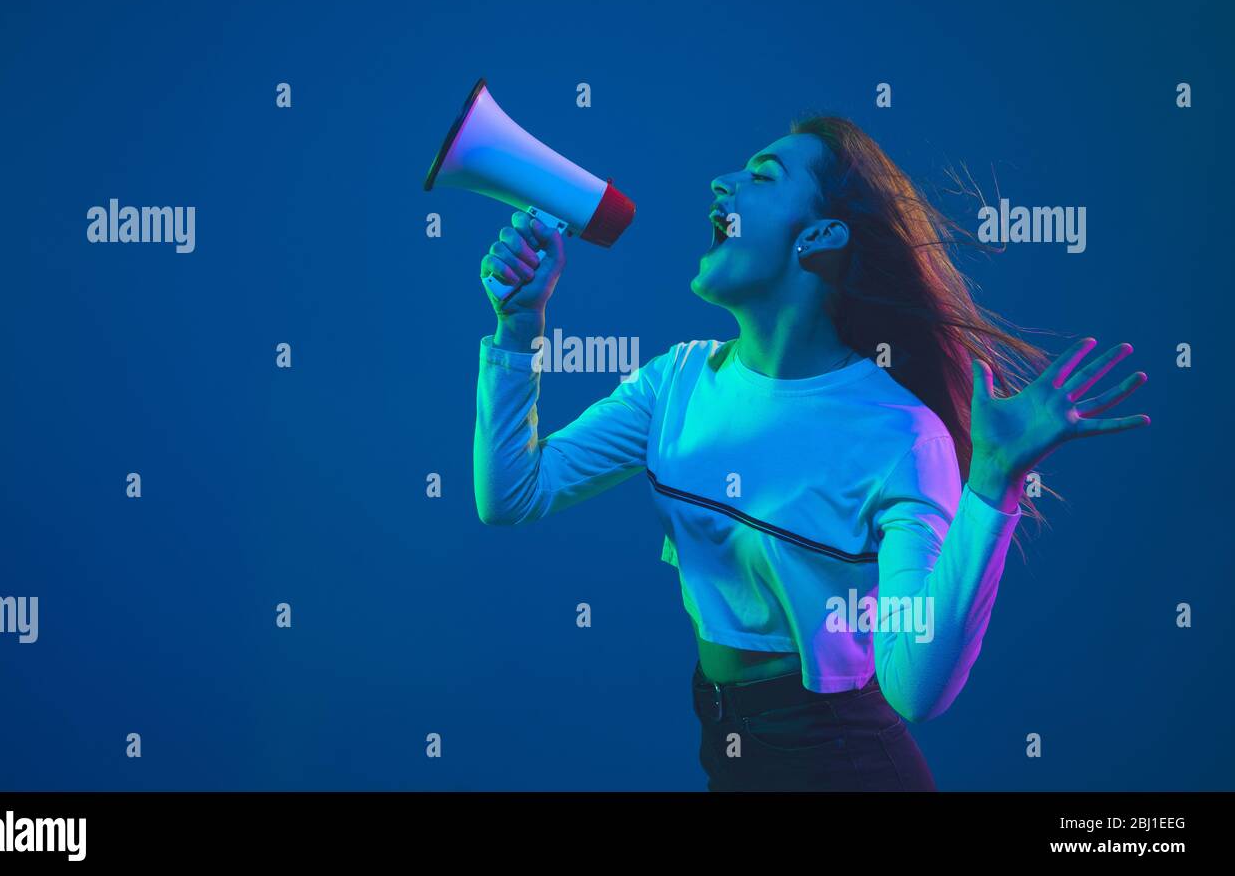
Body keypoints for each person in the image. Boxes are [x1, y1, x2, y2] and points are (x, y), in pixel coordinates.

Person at [472, 116, 1150, 791]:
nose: (722, 181)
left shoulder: (901, 437)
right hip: (728, 743)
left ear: (820, 236)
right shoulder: (672, 384)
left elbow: (916, 690)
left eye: (764, 174)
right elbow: (513, 494)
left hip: (841, 762)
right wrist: (518, 327)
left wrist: (992, 485)